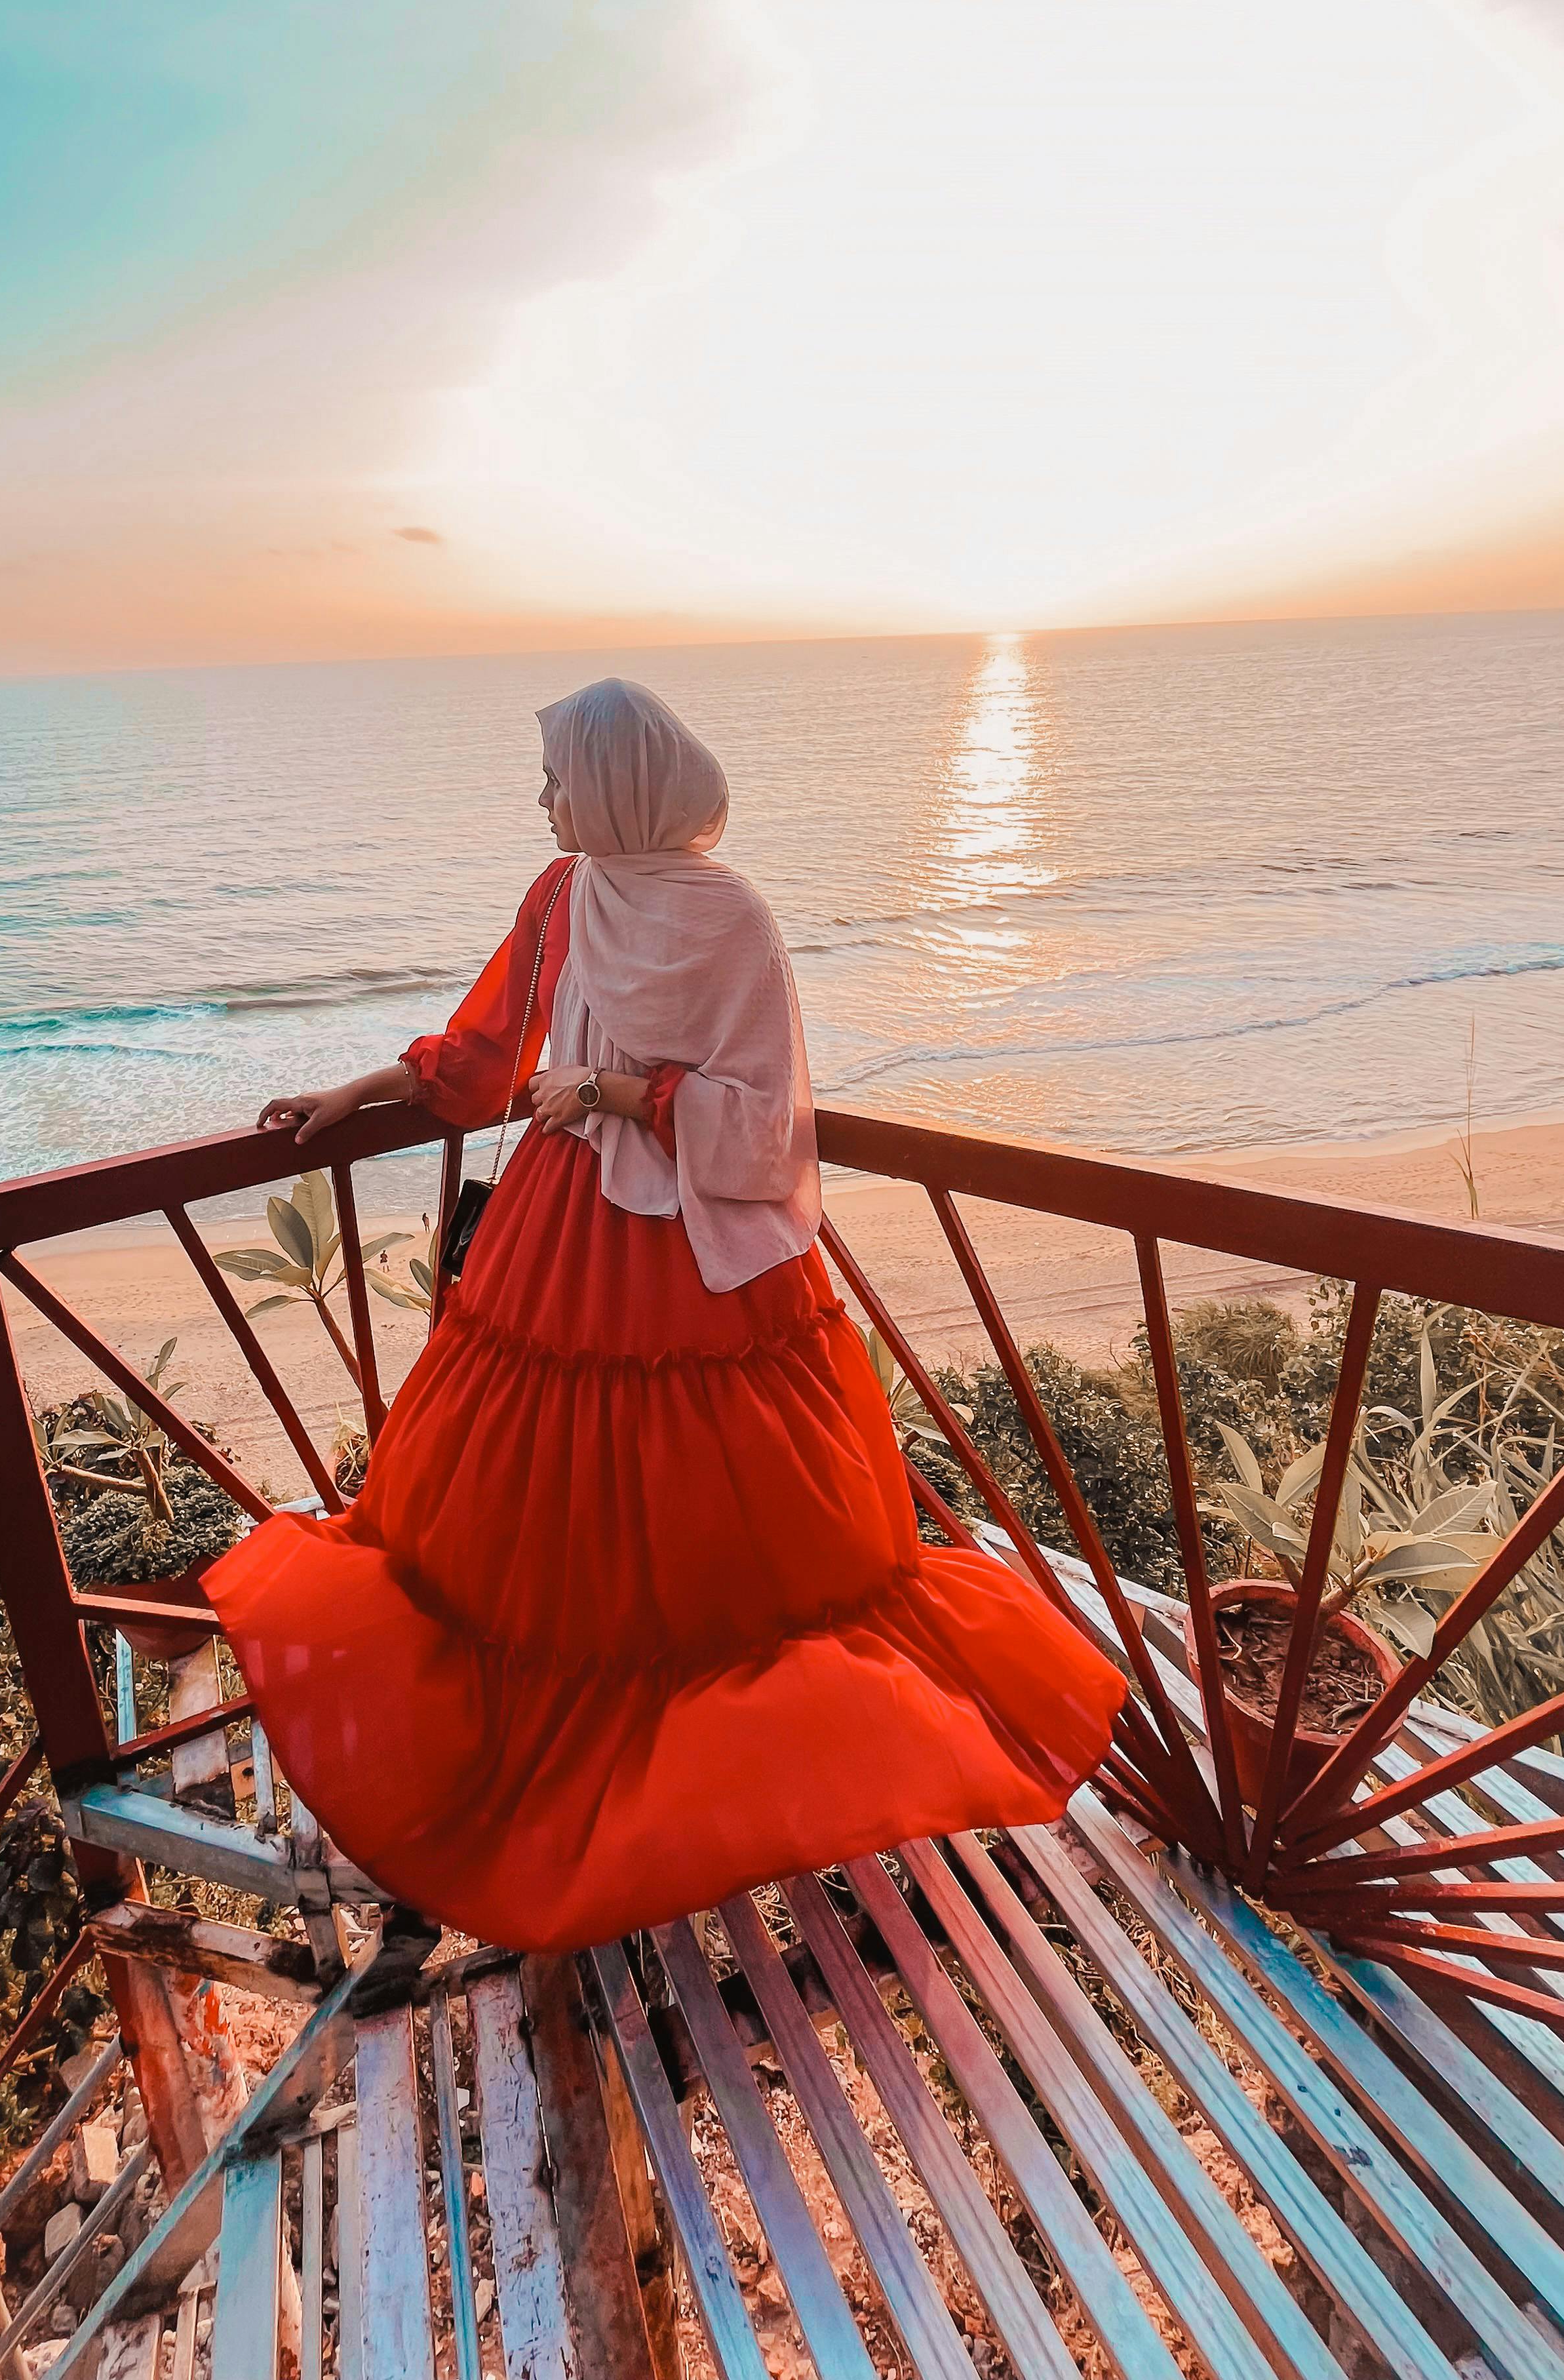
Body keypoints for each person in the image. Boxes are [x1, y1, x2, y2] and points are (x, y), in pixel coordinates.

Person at [205, 679, 1125, 1951]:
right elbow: (483, 1058)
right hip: (563, 1231)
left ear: (625, 786)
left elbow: (764, 1111)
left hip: (693, 1245)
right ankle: (588, 1786)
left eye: (559, 780)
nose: (543, 801)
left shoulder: (732, 916)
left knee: (727, 1534)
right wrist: (354, 1092)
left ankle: (740, 1782)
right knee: (557, 1512)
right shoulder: (559, 896)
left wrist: (622, 1093)